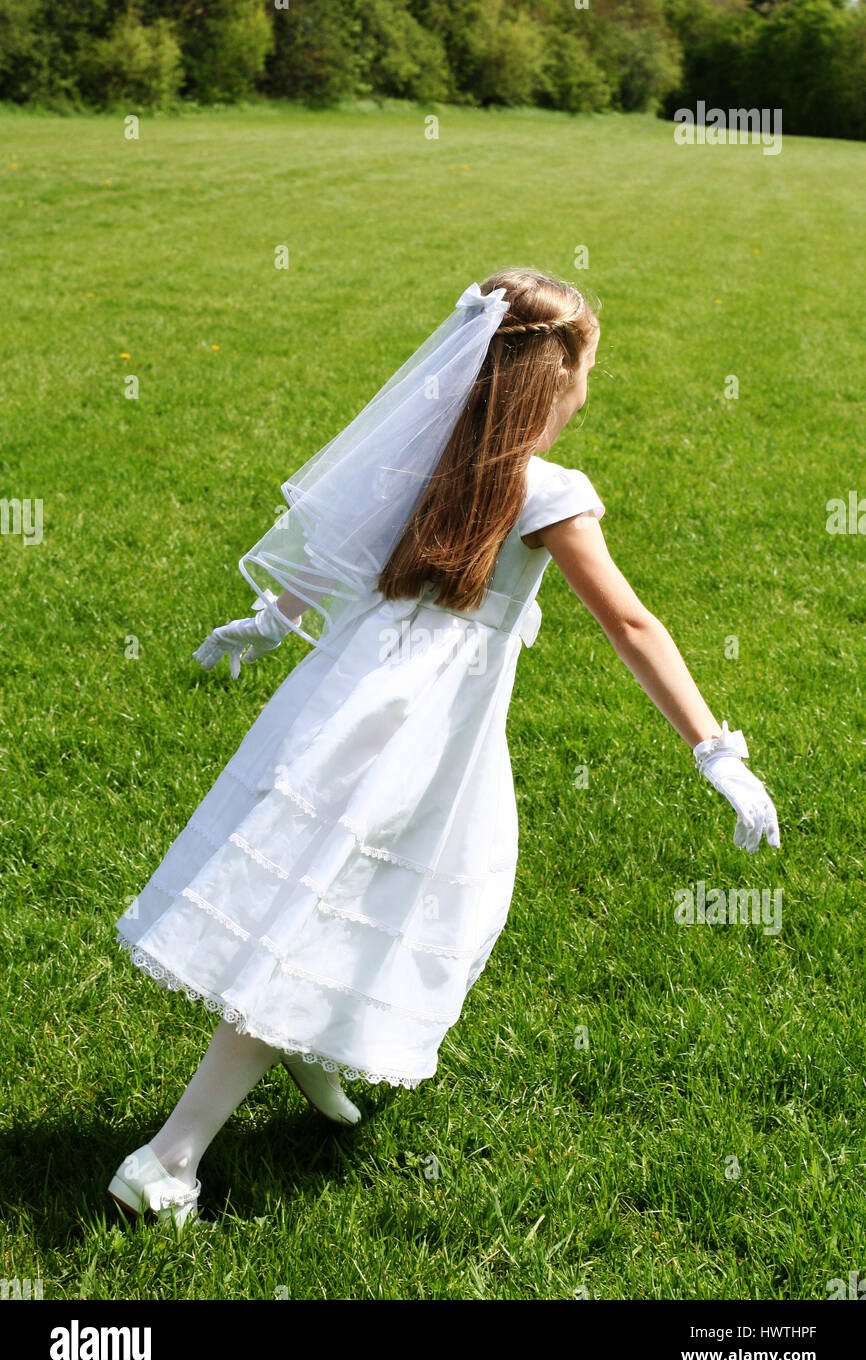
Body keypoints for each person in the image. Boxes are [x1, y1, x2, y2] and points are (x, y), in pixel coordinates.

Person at [108, 268, 780, 1230]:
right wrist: (717, 751)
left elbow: (336, 550)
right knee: (353, 899)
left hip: (353, 701)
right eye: (589, 368)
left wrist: (269, 622)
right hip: (423, 733)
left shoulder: (424, 459)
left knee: (357, 884)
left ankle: (306, 1042)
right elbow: (630, 623)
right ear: (559, 380)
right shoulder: (548, 491)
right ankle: (169, 1159)